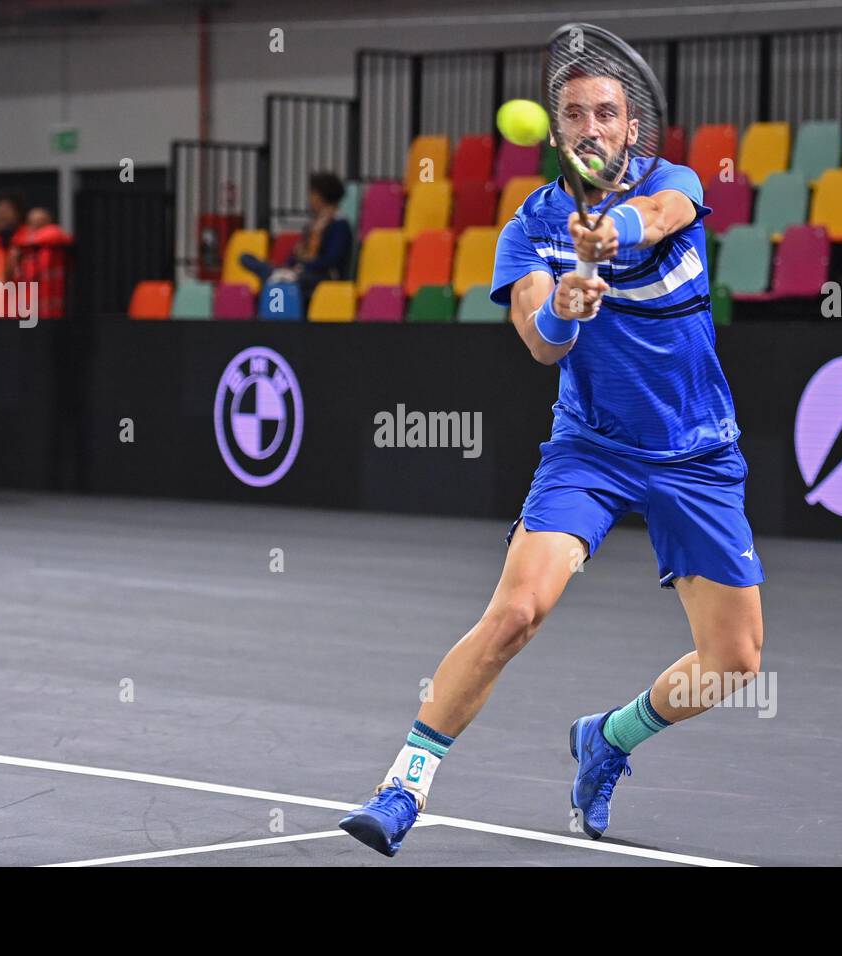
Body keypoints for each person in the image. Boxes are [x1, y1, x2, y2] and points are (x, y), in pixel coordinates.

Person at [339, 59, 763, 856]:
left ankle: (610, 737)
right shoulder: (527, 229)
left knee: (734, 660)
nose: (592, 128)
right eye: (575, 115)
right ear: (558, 130)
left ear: (631, 128)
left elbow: (668, 213)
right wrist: (566, 305)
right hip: (591, 449)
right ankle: (403, 787)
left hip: (697, 453)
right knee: (515, 615)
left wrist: (615, 234)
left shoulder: (672, 181)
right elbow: (540, 344)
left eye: (606, 113)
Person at [237, 171, 352, 307]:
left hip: (321, 275)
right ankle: (277, 278)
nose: (309, 199)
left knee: (284, 282)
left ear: (321, 197)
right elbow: (295, 254)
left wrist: (302, 267)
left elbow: (332, 259)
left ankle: (276, 311)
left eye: (312, 194)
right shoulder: (313, 225)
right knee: (247, 258)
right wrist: (288, 267)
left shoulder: (339, 225)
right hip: (300, 270)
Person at [15, 207, 73, 319]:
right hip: (29, 304)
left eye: (40, 222)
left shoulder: (55, 235)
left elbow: (55, 234)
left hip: (52, 301)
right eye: (32, 222)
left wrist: (25, 241)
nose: (35, 225)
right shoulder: (24, 246)